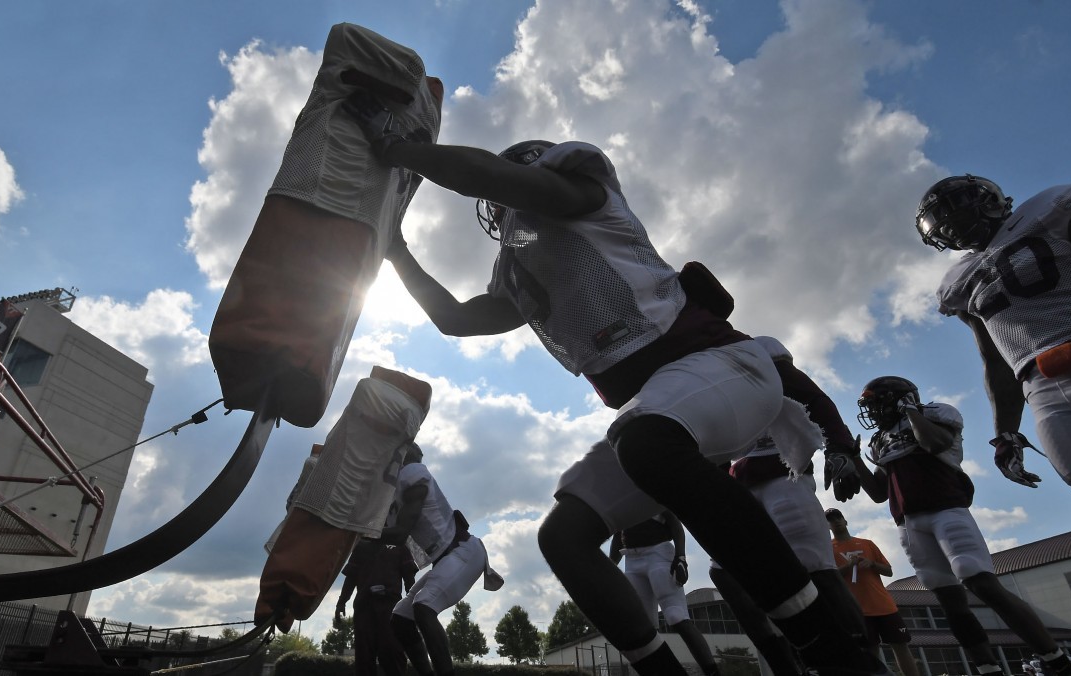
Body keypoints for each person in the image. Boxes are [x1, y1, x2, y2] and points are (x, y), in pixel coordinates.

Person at [341, 92, 882, 676]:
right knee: (565, 538)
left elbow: (485, 175)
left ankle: (830, 650)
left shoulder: (586, 197)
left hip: (724, 369)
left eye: (509, 183)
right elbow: (457, 320)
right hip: (658, 409)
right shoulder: (521, 270)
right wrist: (396, 252)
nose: (504, 203)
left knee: (647, 443)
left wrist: (399, 149)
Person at [853, 375, 1071, 676]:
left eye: (876, 404)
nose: (874, 412)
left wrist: (911, 412)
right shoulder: (881, 439)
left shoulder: (934, 415)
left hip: (946, 508)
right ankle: (988, 668)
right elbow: (880, 493)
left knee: (982, 583)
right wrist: (853, 458)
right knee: (949, 600)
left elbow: (935, 444)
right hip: (908, 522)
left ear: (900, 398)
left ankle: (1057, 662)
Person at [915, 176, 1071, 523]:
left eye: (954, 214)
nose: (952, 228)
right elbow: (995, 360)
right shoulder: (960, 280)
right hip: (1045, 388)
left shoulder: (1052, 212)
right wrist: (1004, 433)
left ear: (987, 200)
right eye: (942, 225)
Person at [707, 336, 869, 676]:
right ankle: (787, 666)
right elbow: (709, 440)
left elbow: (811, 396)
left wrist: (838, 447)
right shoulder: (697, 368)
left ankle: (865, 662)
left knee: (815, 569)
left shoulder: (753, 350)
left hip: (785, 477)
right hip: (740, 487)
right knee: (725, 574)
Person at [381, 442, 502, 676]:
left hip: (463, 551)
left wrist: (356, 531)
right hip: (447, 558)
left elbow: (398, 534)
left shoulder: (414, 475)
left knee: (423, 607)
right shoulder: (397, 491)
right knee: (400, 620)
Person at [608, 511, 720, 676]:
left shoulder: (645, 488)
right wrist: (610, 567)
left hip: (658, 553)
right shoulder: (618, 494)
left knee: (676, 615)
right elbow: (619, 534)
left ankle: (712, 672)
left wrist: (681, 557)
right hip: (631, 560)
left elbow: (674, 521)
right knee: (642, 629)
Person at [824, 508, 920, 676]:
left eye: (839, 517)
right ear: (827, 526)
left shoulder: (867, 543)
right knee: (869, 653)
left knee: (901, 647)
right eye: (831, 520)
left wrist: (872, 564)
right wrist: (848, 565)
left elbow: (889, 571)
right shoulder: (828, 549)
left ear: (845, 520)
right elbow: (831, 578)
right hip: (857, 611)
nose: (837, 521)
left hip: (885, 607)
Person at [335, 537, 418, 676]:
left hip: (391, 607)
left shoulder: (399, 544)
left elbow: (409, 578)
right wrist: (341, 602)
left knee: (392, 651)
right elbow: (351, 577)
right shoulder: (361, 546)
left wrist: (413, 606)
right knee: (364, 657)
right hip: (364, 608)